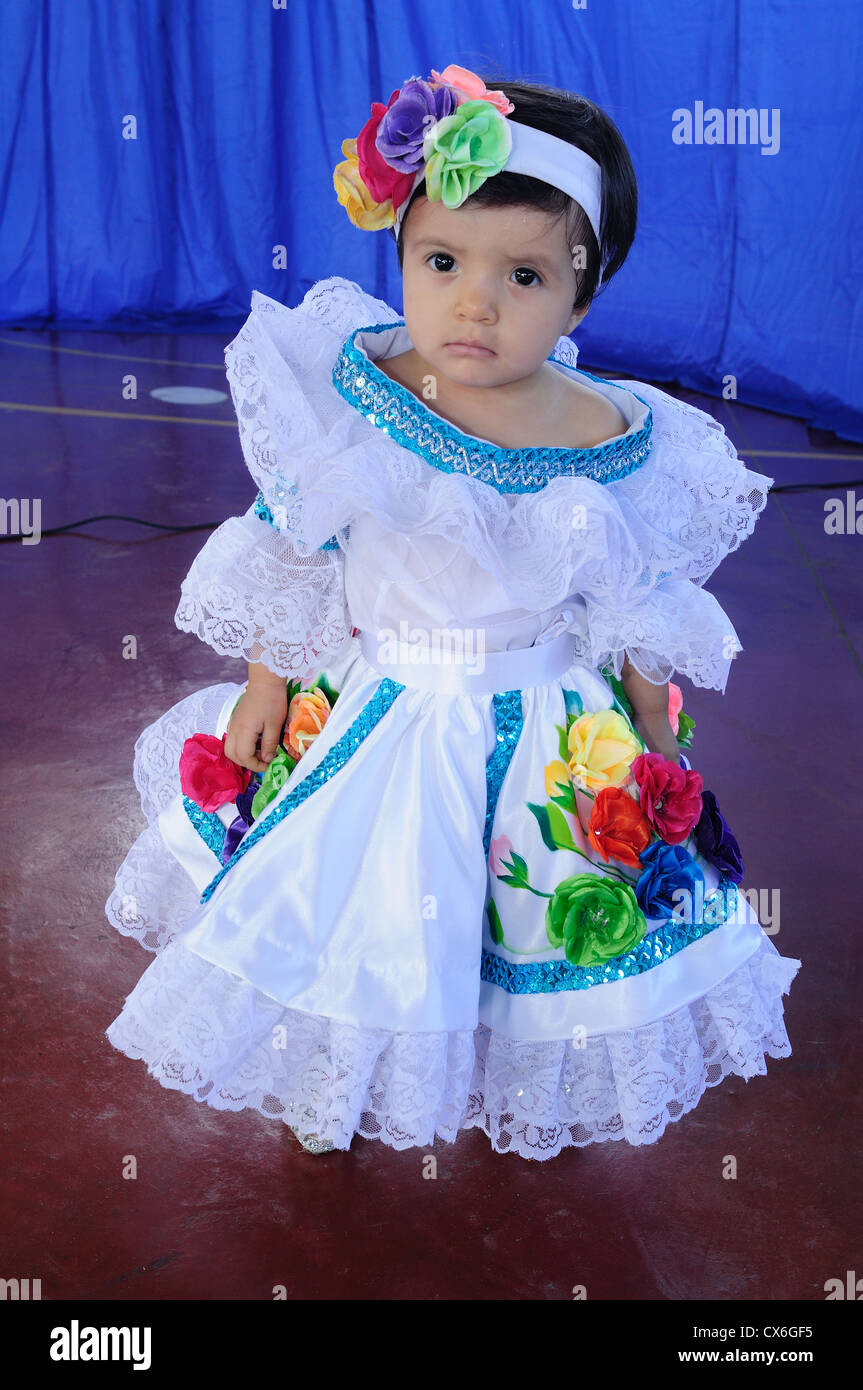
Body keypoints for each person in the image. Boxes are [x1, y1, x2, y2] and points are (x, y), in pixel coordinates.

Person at [104, 64, 800, 1161]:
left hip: (539, 724)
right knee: (360, 898)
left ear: (582, 293)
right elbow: (296, 540)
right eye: (440, 263)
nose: (472, 304)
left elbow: (629, 604)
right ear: (399, 259)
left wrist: (654, 739)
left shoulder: (608, 435)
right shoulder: (360, 394)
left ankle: (483, 1052)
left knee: (514, 911)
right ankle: (353, 1061)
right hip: (383, 705)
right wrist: (265, 678)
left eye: (522, 275)